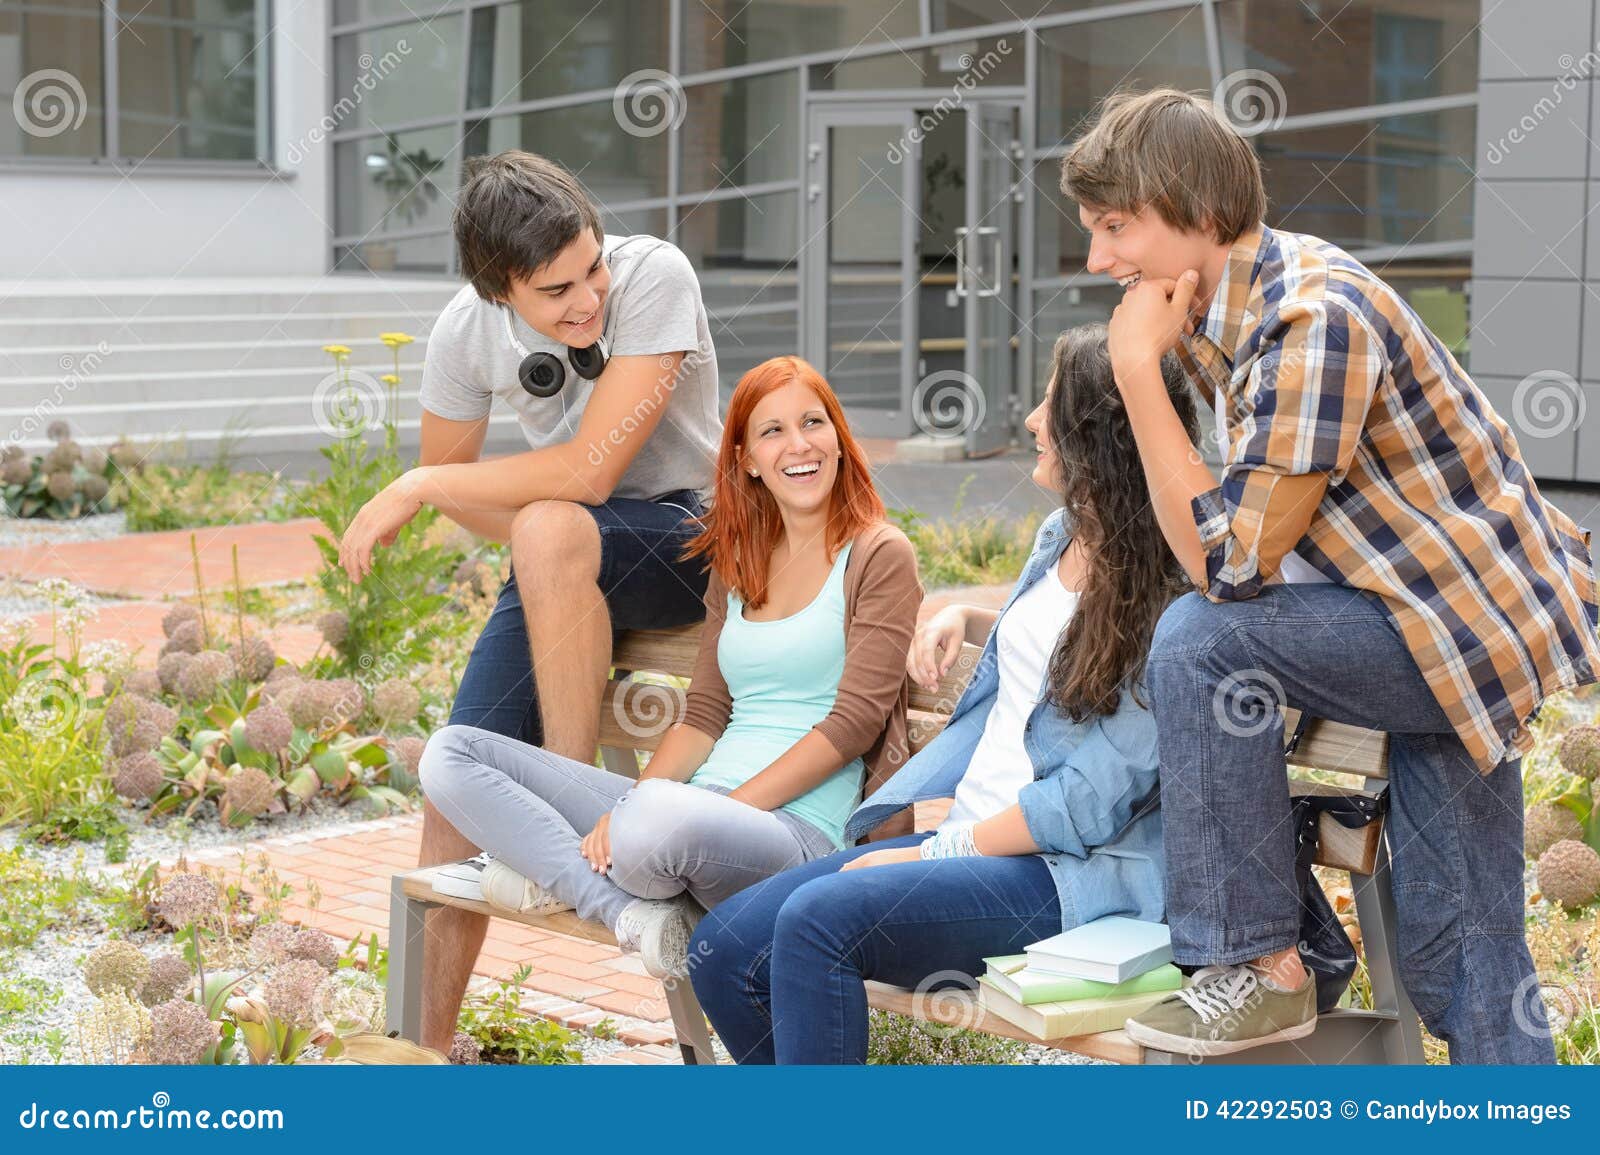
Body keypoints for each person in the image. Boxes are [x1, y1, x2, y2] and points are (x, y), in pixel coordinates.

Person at [1060, 87, 1600, 1061]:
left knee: (1199, 645)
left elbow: (1224, 568)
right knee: (1465, 955)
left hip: (1457, 630)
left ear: (1195, 210)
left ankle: (1260, 967)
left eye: (1114, 227)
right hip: (1405, 621)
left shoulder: (1313, 319)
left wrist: (1135, 373)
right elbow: (1226, 553)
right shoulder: (1219, 309)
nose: (1100, 259)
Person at [688, 326, 1200, 1064]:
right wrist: (968, 617)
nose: (1029, 421)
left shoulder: (1171, 597)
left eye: (1049, 407)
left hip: (1063, 871)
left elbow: (1087, 803)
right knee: (723, 947)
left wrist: (936, 851)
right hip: (969, 840)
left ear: (1096, 437)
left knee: (814, 924)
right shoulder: (1063, 534)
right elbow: (1064, 641)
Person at [336, 150, 723, 1052]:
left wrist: (422, 482)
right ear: (499, 289)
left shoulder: (654, 275)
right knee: (448, 775)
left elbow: (591, 471)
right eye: (557, 291)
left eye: (591, 267)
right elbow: (480, 510)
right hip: (562, 554)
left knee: (548, 521)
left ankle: (571, 825)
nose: (588, 298)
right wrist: (439, 486)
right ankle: (423, 1054)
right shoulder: (463, 334)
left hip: (695, 538)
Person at [418, 355, 921, 984]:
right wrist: (634, 801)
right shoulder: (740, 560)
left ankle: (562, 874)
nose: (799, 445)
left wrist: (693, 810)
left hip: (796, 830)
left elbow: (854, 725)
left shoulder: (878, 554)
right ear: (746, 459)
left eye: (813, 423)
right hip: (691, 809)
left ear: (839, 440)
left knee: (653, 825)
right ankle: (632, 914)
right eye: (772, 431)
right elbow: (707, 713)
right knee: (450, 754)